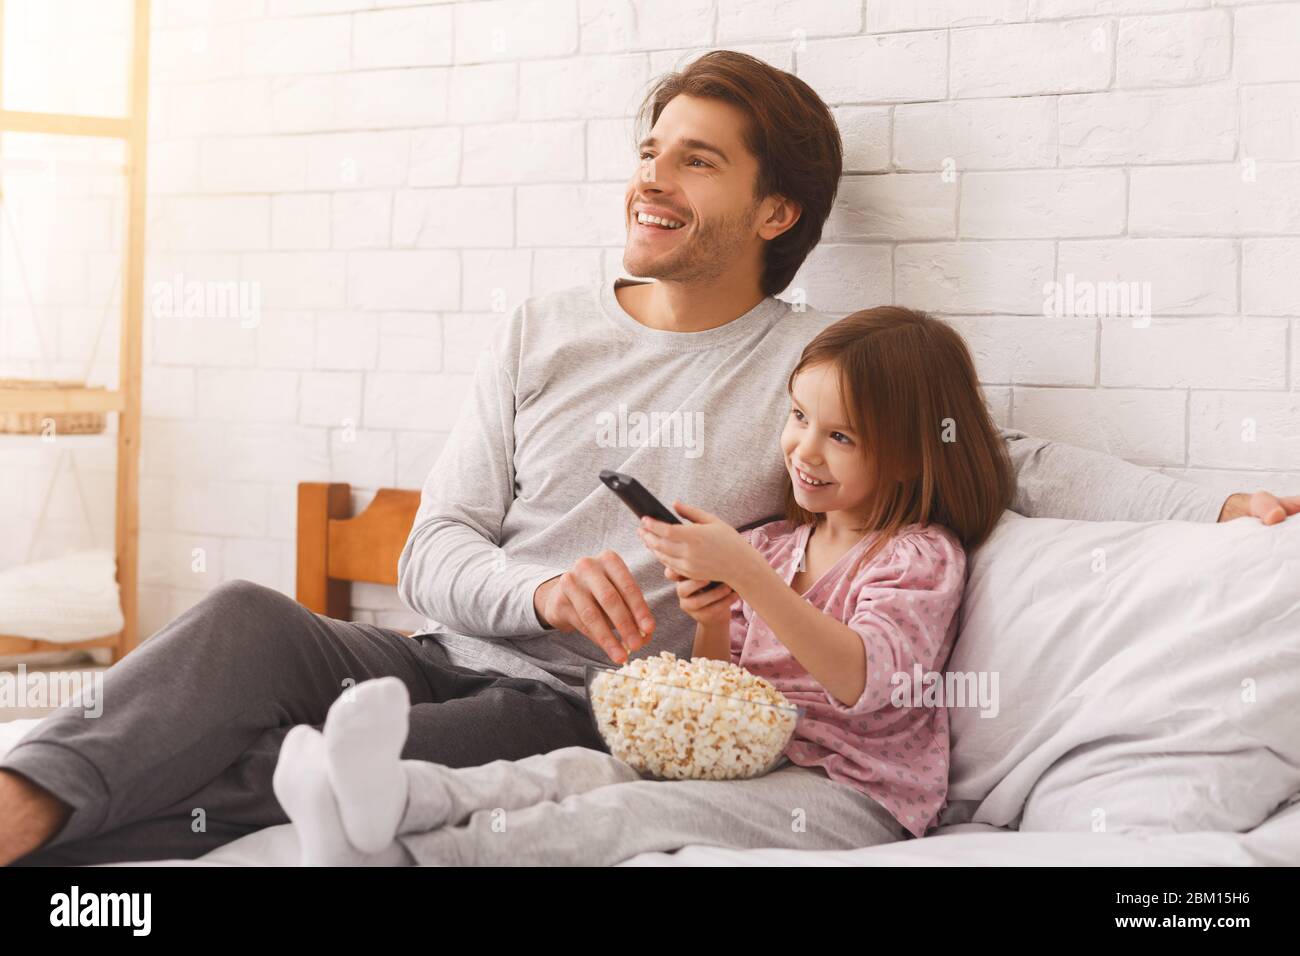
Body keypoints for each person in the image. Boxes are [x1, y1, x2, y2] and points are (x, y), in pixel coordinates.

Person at [1, 51, 1292, 867]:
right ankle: (26, 797)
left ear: (773, 213)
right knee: (239, 624)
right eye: (648, 149)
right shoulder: (541, 330)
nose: (651, 178)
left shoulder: (809, 378)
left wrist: (1220, 501)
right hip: (448, 645)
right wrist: (538, 589)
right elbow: (430, 548)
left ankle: (52, 837)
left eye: (697, 158)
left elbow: (1004, 456)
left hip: (589, 703)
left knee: (308, 756)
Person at [271, 306, 1013, 866]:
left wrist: (746, 574)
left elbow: (866, 678)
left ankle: (400, 856)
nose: (803, 450)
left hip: (854, 795)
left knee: (628, 815)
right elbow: (732, 695)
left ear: (915, 455)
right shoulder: (781, 546)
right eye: (797, 418)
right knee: (573, 771)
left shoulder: (916, 557)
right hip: (751, 758)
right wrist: (715, 615)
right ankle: (392, 799)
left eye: (840, 436)